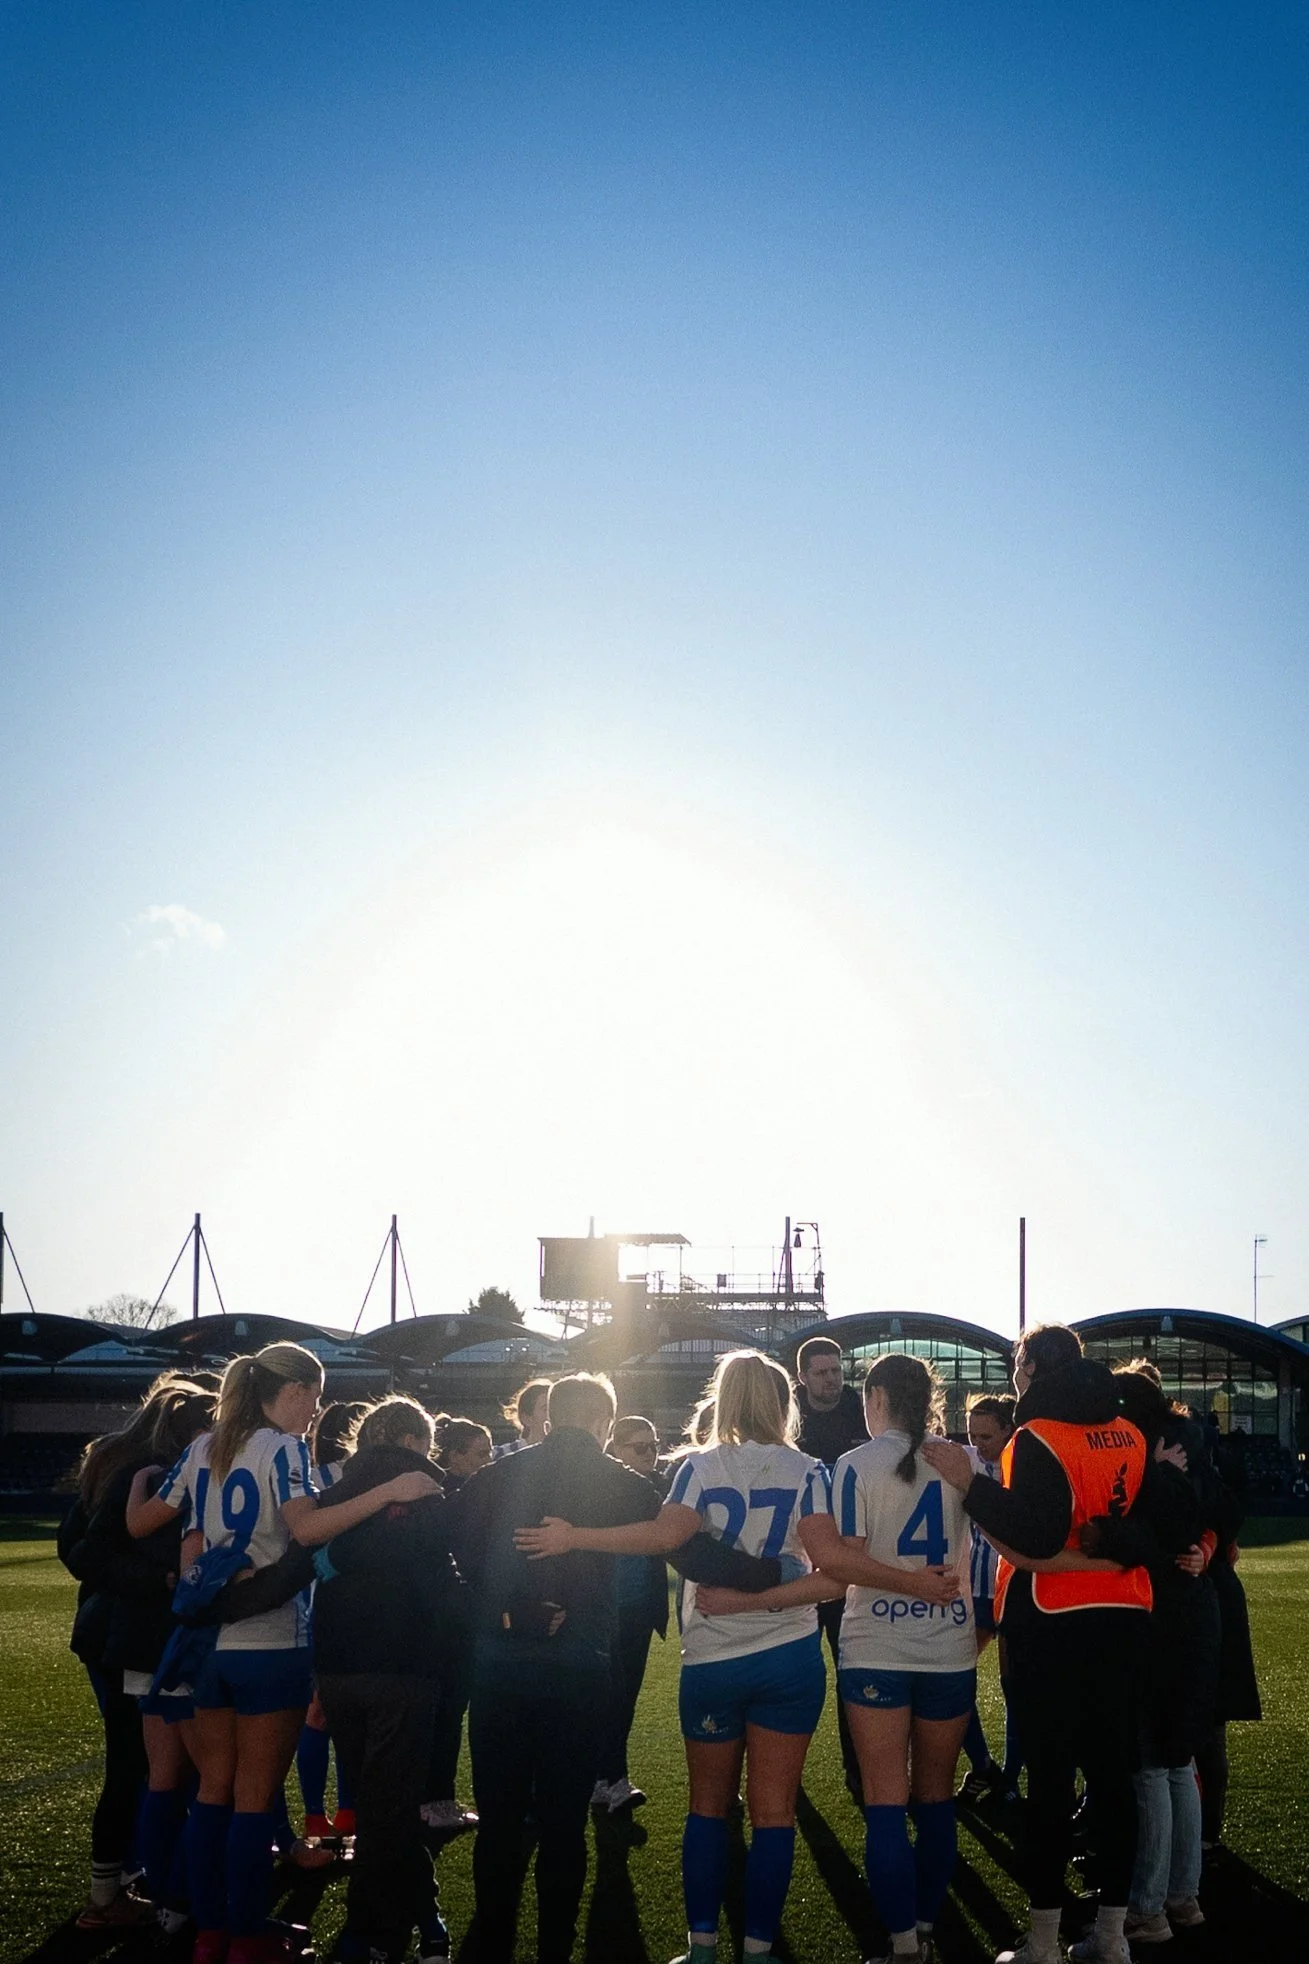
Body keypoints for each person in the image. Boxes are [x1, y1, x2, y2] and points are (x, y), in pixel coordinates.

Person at [517, 1351, 834, 1964]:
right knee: (775, 1813)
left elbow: (662, 1540)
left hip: (714, 1657)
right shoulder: (811, 1472)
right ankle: (762, 1949)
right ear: (782, 1401)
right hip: (789, 1653)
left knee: (707, 1808)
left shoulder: (699, 1466)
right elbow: (829, 1571)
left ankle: (705, 1946)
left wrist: (575, 1535)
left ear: (722, 1398)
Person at [125, 1341, 432, 1964]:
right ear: (290, 1392)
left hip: (211, 1644)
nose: (315, 1412)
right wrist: (391, 1488)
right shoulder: (284, 1448)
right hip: (271, 1641)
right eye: (314, 1399)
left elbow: (141, 1526)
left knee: (213, 1787)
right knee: (252, 1795)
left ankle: (209, 1932)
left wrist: (140, 1490)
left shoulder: (202, 1446)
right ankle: (246, 1935)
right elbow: (308, 1529)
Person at [922, 1324, 1153, 1964]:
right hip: (1126, 1615)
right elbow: (1147, 1521)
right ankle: (1111, 1935)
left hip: (1050, 1623)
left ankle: (1045, 1940)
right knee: (1112, 1778)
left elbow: (1038, 1534)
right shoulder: (1130, 1431)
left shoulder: (1037, 1437)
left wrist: (973, 1488)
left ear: (1026, 1370)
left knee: (1050, 1780)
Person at [791, 1353, 977, 1964]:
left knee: (885, 1802)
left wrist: (908, 1587)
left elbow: (840, 1563)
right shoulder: (961, 1459)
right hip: (948, 1647)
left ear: (874, 1400)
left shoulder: (854, 1464)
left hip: (875, 1646)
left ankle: (903, 1944)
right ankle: (924, 1927)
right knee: (936, 1799)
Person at [58, 1373, 216, 1933]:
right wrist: (164, 1579)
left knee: (152, 1767)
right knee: (140, 1765)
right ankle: (115, 1892)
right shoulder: (143, 1472)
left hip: (125, 1632)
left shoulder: (126, 1460)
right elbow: (83, 1551)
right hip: (129, 1636)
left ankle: (138, 1879)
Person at [311, 1396, 460, 1964]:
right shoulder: (425, 1487)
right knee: (388, 1809)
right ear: (416, 1442)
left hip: (339, 1663)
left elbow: (317, 1553)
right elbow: (429, 1575)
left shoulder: (331, 1491)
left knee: (380, 1804)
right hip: (404, 1663)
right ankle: (374, 1932)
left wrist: (341, 1552)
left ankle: (421, 1920)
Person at [794, 1335, 868, 1799]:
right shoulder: (786, 1417)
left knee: (852, 1669)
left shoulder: (862, 1411)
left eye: (836, 1370)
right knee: (796, 1674)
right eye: (821, 1372)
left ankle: (860, 1773)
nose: (832, 1380)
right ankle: (782, 1769)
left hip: (850, 1563)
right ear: (802, 1377)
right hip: (798, 1564)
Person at [295, 1400, 369, 1850]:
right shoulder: (344, 1479)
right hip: (335, 1607)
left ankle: (325, 1814)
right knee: (332, 1715)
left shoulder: (315, 1478)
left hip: (316, 1607)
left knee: (323, 1715)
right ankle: (336, 1813)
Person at [591, 1415, 671, 1815]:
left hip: (638, 1608)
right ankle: (608, 1777)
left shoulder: (655, 1491)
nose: (650, 1455)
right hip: (602, 1610)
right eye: (640, 1448)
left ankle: (610, 1777)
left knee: (625, 1699)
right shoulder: (599, 1490)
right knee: (607, 1698)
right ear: (615, 1449)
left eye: (654, 1447)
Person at [421, 1415, 493, 1831]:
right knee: (447, 1710)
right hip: (449, 1620)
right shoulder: (449, 1495)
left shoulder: (447, 1492)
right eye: (480, 1454)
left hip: (446, 1617)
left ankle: (433, 1797)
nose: (487, 1462)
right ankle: (436, 1800)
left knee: (446, 1710)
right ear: (454, 1456)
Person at [956, 1393, 1020, 1805]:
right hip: (973, 1590)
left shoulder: (1027, 1464)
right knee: (955, 1680)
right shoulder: (962, 1459)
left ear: (1007, 1432)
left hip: (1013, 1589)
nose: (978, 1444)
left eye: (986, 1436)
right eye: (972, 1434)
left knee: (1015, 1688)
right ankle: (983, 1766)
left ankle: (1008, 1780)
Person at [493, 1378, 551, 1457]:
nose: (553, 1413)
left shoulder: (568, 1455)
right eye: (546, 1409)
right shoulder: (498, 1455)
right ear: (526, 1418)